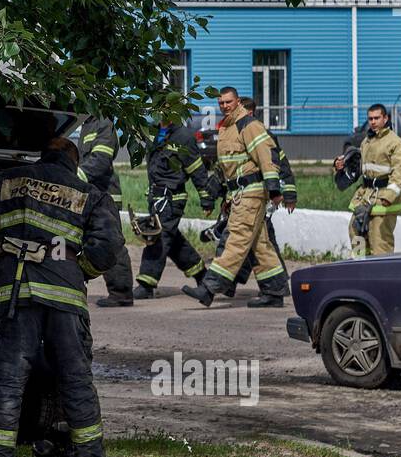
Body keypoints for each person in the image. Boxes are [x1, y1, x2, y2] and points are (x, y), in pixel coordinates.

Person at [0, 136, 125, 457]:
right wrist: (79, 270)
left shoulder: (8, 180)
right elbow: (107, 248)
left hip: (16, 297)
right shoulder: (90, 194)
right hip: (66, 301)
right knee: (76, 384)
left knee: (3, 387)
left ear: (42, 155)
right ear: (73, 163)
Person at [183, 86, 288, 307]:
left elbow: (266, 157)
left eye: (228, 102)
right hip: (238, 194)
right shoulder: (226, 129)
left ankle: (209, 288)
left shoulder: (249, 125)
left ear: (238, 101)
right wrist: (212, 193)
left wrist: (275, 190)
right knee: (260, 244)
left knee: (236, 239)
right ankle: (275, 291)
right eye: (221, 103)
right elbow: (225, 168)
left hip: (251, 193)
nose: (224, 106)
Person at [132, 120, 216, 299]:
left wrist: (206, 199)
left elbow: (196, 168)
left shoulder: (184, 136)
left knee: (158, 236)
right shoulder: (153, 131)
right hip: (155, 196)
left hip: (172, 199)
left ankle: (146, 284)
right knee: (173, 241)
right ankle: (201, 274)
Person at [228, 96, 294, 307]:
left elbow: (280, 164)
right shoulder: (236, 133)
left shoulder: (261, 133)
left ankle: (275, 287)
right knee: (258, 241)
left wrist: (286, 194)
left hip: (259, 196)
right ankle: (274, 287)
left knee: (258, 241)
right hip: (244, 196)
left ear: (250, 113)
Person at [334, 103, 401, 255]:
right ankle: (359, 267)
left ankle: (382, 276)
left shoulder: (395, 142)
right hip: (364, 197)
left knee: (379, 242)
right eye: (370, 119)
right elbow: (359, 167)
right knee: (356, 233)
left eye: (377, 118)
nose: (373, 122)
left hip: (384, 201)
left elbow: (400, 171)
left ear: (385, 118)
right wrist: (340, 165)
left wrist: (388, 196)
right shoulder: (366, 142)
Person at [77, 117, 134, 307]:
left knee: (112, 244)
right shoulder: (87, 124)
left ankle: (121, 293)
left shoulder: (104, 123)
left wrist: (74, 176)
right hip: (92, 194)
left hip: (105, 196)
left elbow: (100, 161)